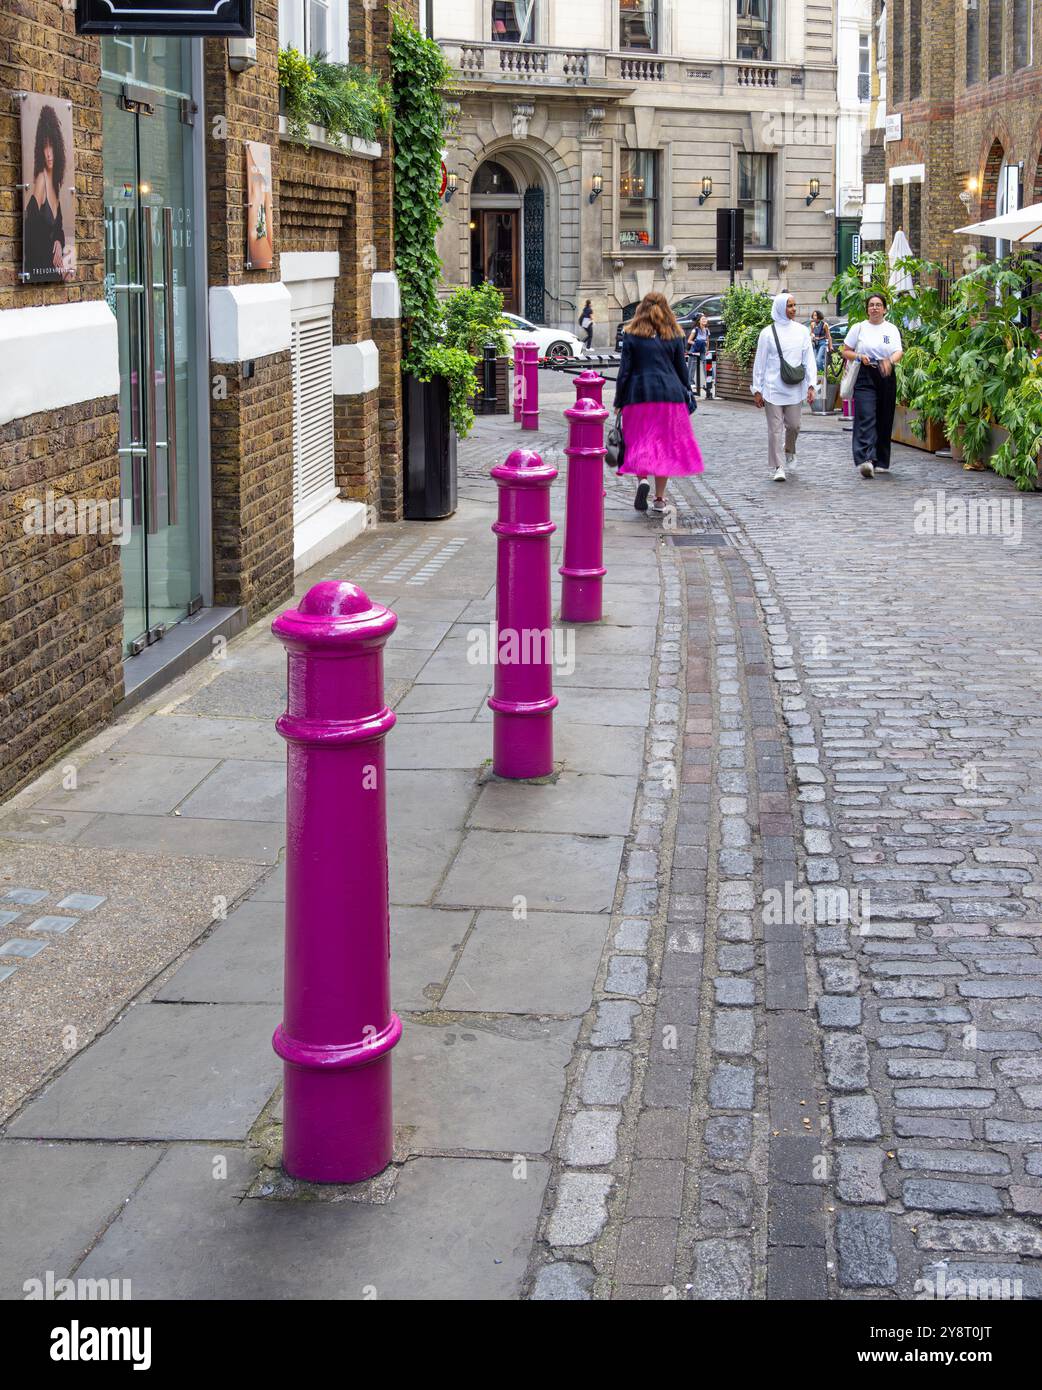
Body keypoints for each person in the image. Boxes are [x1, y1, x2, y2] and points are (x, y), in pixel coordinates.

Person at [614, 291, 703, 514]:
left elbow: (624, 372)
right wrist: (688, 393)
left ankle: (643, 479)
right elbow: (682, 371)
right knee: (665, 446)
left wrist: (619, 400)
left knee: (640, 441)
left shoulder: (631, 334)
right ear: (666, 309)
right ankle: (659, 499)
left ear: (641, 308)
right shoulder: (674, 334)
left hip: (638, 395)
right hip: (670, 397)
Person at [752, 291, 817, 483]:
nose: (793, 309)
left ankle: (790, 449)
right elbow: (760, 362)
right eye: (789, 306)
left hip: (794, 388)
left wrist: (811, 385)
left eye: (794, 305)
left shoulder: (802, 331)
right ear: (781, 307)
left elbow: (809, 359)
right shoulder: (767, 333)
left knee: (794, 426)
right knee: (774, 429)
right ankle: (779, 466)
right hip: (772, 388)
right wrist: (757, 389)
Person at [841, 291, 904, 478]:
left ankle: (881, 460)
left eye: (878, 305)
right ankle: (866, 459)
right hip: (864, 374)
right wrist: (859, 356)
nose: (874, 308)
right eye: (871, 305)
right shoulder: (859, 328)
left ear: (884, 309)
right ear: (867, 309)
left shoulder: (891, 329)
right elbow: (846, 351)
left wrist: (889, 362)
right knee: (866, 415)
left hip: (885, 373)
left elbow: (898, 351)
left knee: (884, 417)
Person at [23, 103, 72, 283]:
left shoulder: (56, 184)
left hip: (52, 272)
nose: (49, 153)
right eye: (45, 146)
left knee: (69, 273)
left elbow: (57, 229)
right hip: (40, 268)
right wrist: (53, 245)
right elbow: (30, 227)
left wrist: (58, 242)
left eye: (52, 146)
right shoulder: (41, 180)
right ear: (40, 149)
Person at [686, 313, 710, 395]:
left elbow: (707, 341)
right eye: (703, 319)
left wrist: (707, 349)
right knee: (692, 366)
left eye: (705, 319)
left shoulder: (707, 330)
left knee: (706, 364)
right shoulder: (695, 330)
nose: (704, 320)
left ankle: (709, 381)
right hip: (694, 350)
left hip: (702, 350)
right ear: (699, 321)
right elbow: (689, 340)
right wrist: (696, 344)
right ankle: (691, 383)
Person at [809, 309, 832, 374]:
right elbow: (811, 333)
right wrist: (811, 335)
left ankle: (822, 373)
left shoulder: (825, 325)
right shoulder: (812, 324)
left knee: (818, 360)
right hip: (814, 343)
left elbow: (828, 336)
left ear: (819, 316)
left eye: (815, 315)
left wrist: (830, 346)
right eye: (813, 315)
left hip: (822, 343)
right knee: (814, 361)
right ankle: (820, 373)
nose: (814, 317)